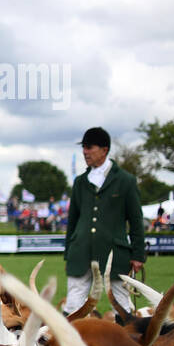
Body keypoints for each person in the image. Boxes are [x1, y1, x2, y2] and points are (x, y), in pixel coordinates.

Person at [63, 126, 145, 315]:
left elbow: (136, 220)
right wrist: (69, 253)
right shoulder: (80, 182)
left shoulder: (126, 181)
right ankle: (70, 344)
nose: (85, 151)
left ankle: (124, 344)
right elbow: (73, 221)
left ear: (104, 149)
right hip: (81, 253)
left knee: (122, 307)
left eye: (90, 147)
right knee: (73, 307)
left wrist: (138, 255)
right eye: (83, 147)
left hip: (115, 254)